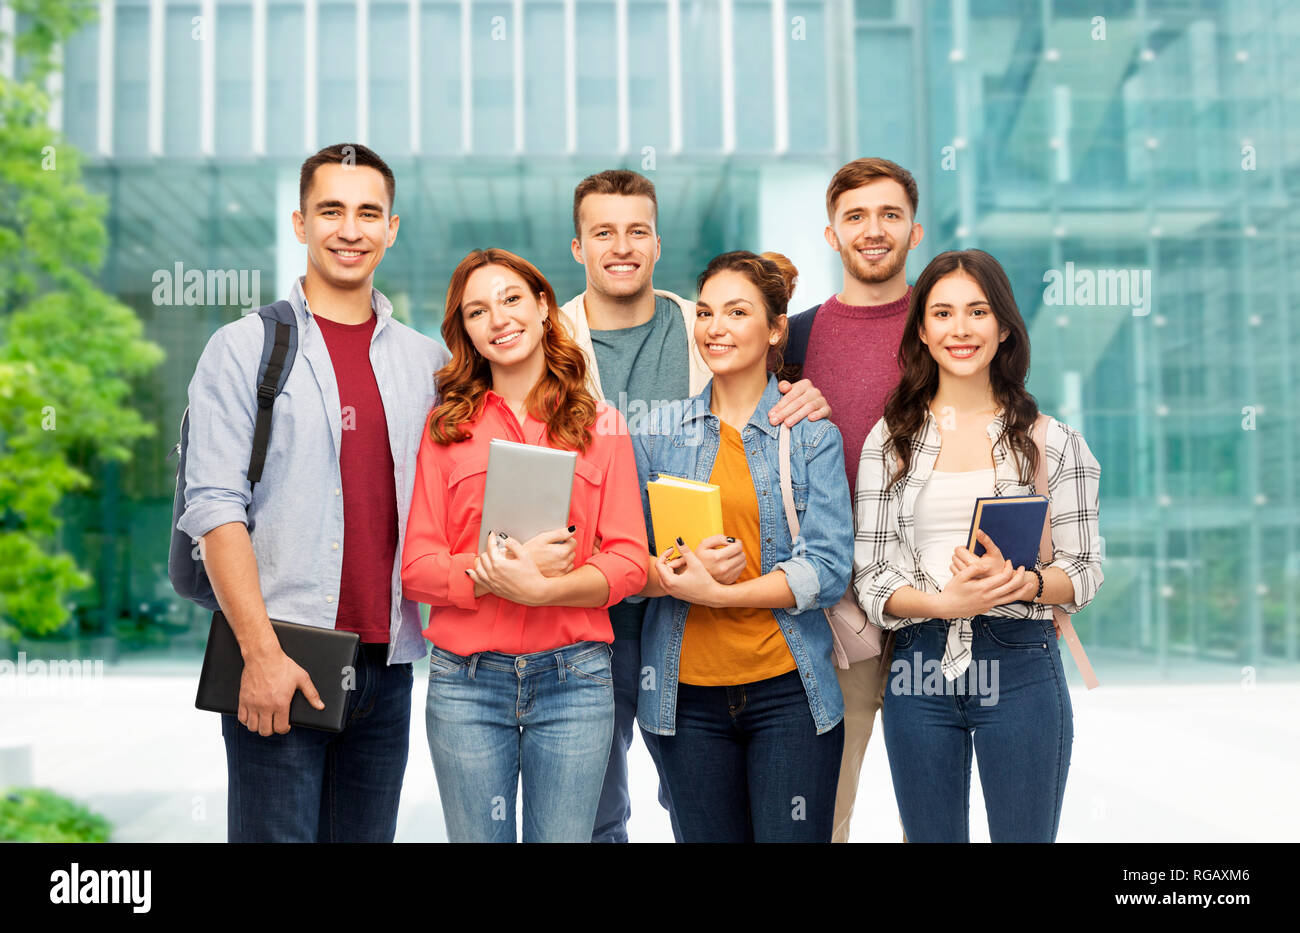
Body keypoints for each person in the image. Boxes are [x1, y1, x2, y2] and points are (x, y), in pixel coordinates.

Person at [177, 143, 450, 842]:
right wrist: (261, 654)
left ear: (392, 228)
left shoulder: (428, 363)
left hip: (386, 667)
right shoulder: (242, 348)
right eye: (331, 210)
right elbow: (213, 507)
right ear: (300, 222)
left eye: (368, 213)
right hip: (280, 653)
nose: (350, 230)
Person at [560, 169, 832, 843]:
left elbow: (752, 379)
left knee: (698, 799)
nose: (621, 247)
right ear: (578, 247)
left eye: (637, 231)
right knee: (593, 810)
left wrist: (804, 395)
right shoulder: (547, 340)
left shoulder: (697, 323)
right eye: (603, 232)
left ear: (657, 243)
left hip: (681, 623)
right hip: (585, 603)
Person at [853, 248, 1103, 842]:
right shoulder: (890, 442)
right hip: (919, 667)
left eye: (977, 311)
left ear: (1004, 327)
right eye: (942, 313)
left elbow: (1085, 569)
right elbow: (870, 579)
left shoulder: (1054, 444)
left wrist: (1027, 582)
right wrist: (944, 604)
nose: (960, 329)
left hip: (1021, 663)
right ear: (921, 329)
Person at [401, 248, 648, 843]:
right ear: (465, 330)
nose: (499, 319)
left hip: (575, 681)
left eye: (512, 299)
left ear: (543, 308)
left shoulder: (601, 425)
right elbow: (417, 569)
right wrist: (493, 574)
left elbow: (630, 561)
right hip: (466, 683)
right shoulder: (446, 430)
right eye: (477, 310)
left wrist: (550, 586)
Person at [631, 251, 852, 843]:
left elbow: (828, 569)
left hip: (789, 692)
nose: (716, 327)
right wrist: (679, 570)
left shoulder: (810, 435)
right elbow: (626, 563)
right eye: (705, 313)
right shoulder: (655, 433)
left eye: (737, 312)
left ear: (776, 328)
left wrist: (722, 594)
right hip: (684, 698)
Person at [782, 156, 925, 843]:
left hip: (940, 600)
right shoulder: (796, 339)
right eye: (856, 216)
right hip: (840, 609)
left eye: (890, 214)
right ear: (832, 235)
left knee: (937, 809)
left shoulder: (949, 326)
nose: (874, 230)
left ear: (915, 231)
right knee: (824, 809)